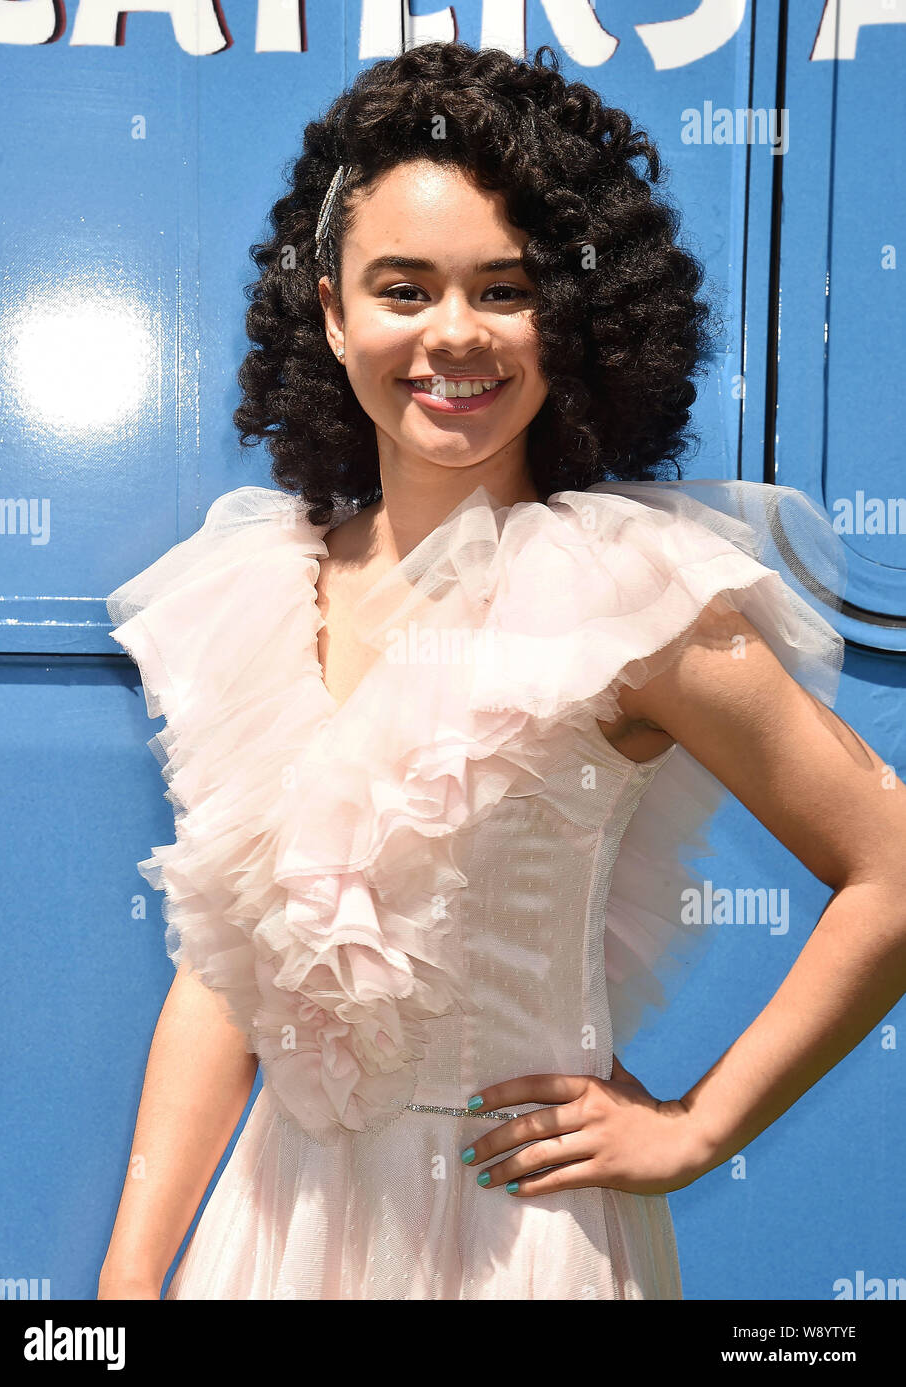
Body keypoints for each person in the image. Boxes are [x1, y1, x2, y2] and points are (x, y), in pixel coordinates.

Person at [97, 42, 906, 1301]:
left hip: (517, 1243)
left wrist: (695, 1128)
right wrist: (128, 1282)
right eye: (403, 288)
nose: (452, 335)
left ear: (568, 314)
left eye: (505, 288)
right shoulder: (248, 595)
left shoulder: (629, 596)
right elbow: (224, 977)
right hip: (266, 1242)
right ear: (330, 309)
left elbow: (892, 871)